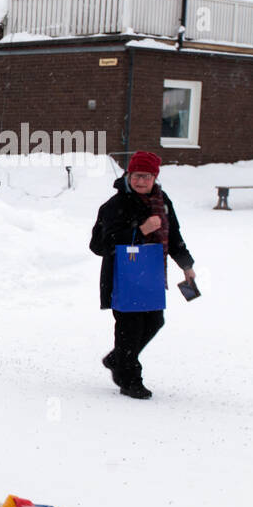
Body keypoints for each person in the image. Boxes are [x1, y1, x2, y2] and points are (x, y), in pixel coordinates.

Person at [89, 150, 196, 400]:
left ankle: (119, 358)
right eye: (136, 176)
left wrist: (186, 265)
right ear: (129, 174)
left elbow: (174, 236)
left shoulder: (162, 201)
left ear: (154, 178)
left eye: (146, 177)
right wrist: (139, 230)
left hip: (152, 274)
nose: (140, 181)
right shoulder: (115, 205)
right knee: (130, 327)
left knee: (155, 321)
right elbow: (99, 245)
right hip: (122, 276)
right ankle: (130, 379)